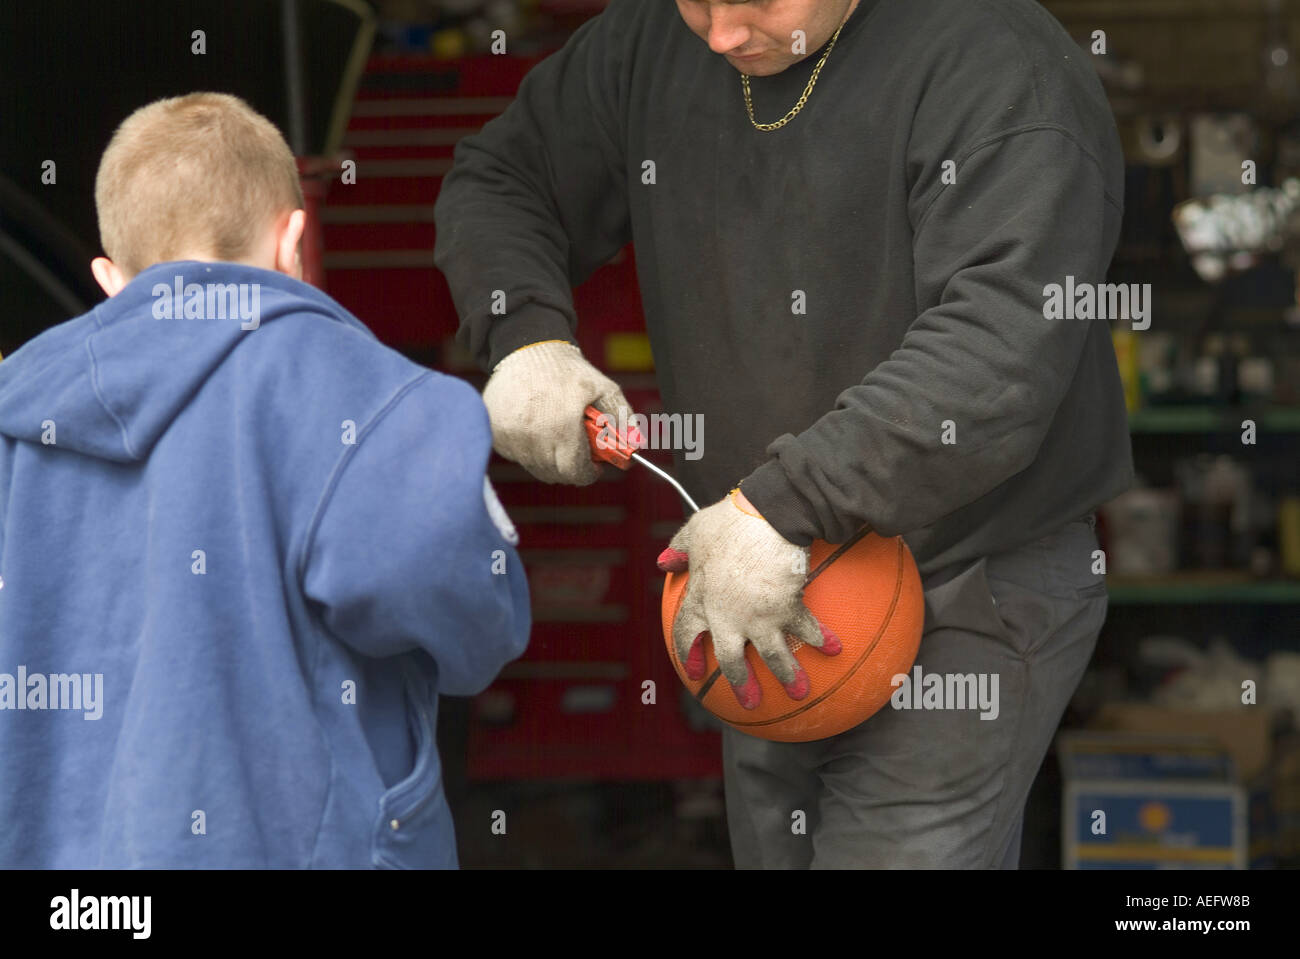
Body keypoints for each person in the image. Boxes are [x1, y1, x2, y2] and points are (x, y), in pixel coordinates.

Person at [434, 0, 1134, 868]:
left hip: (964, 570)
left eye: (759, 0)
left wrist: (785, 505)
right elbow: (504, 177)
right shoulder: (648, 42)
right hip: (751, 568)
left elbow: (1000, 348)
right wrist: (526, 333)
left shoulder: (1001, 68)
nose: (722, 33)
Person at [0, 92, 530, 868]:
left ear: (110, 276)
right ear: (293, 241)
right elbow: (473, 624)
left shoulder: (19, 408)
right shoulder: (359, 393)